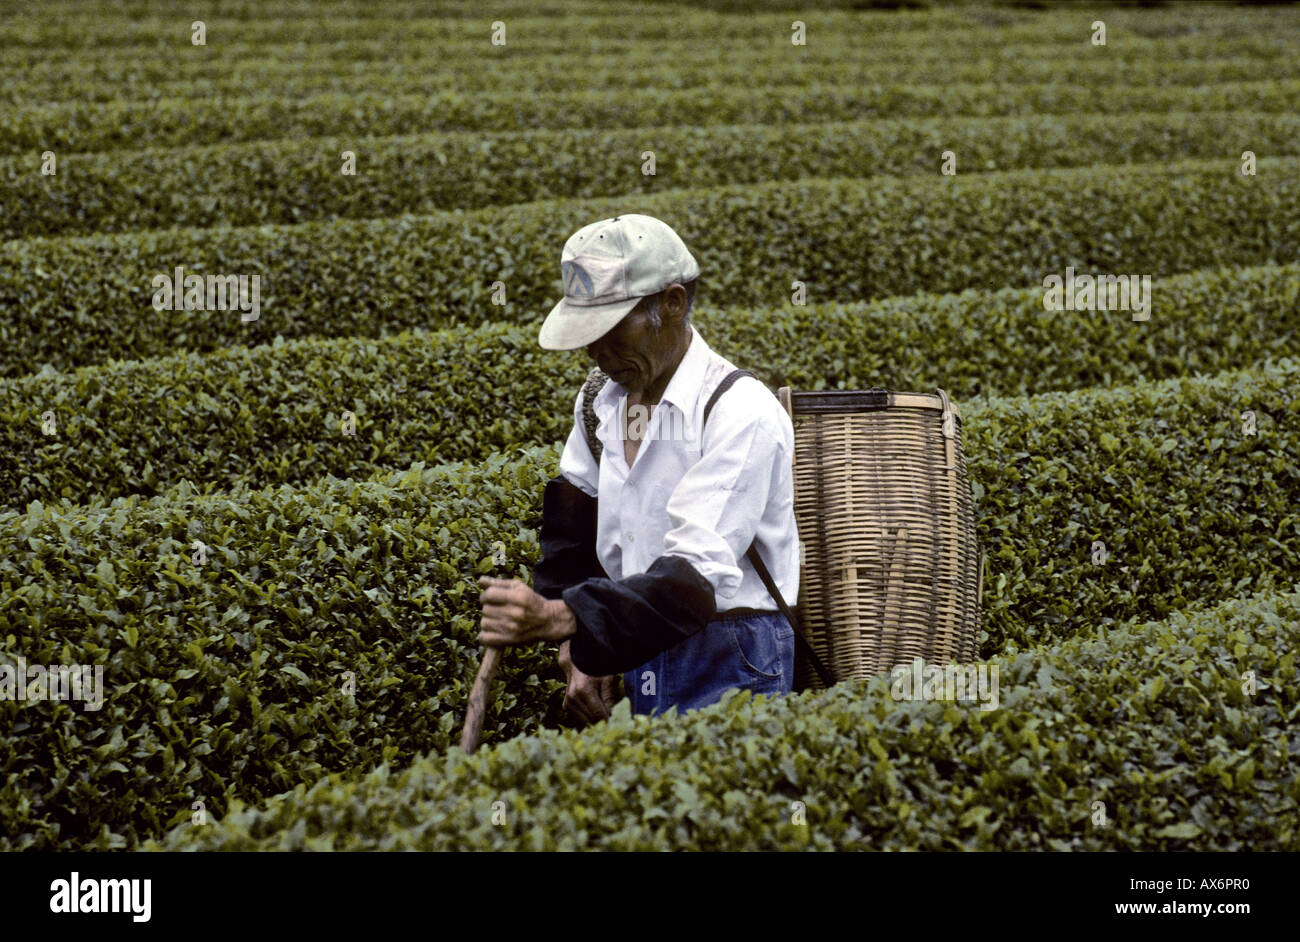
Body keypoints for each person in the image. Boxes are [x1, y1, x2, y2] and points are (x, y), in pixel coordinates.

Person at [477, 213, 799, 724]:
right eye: (587, 334)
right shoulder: (598, 404)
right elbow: (571, 530)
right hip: (638, 642)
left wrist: (566, 618)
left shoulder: (740, 413)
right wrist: (582, 651)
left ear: (671, 304)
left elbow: (694, 578)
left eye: (611, 329)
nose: (598, 353)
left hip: (728, 650)